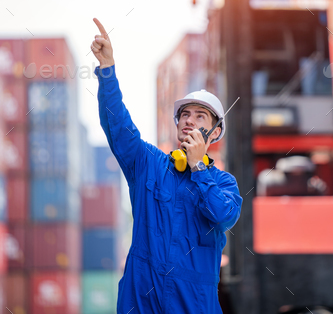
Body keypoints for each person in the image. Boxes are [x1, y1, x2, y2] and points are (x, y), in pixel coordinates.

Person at [90, 18, 243, 314]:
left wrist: (198, 168)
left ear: (215, 133)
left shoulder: (224, 184)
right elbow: (118, 126)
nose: (189, 120)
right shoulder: (149, 164)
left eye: (201, 116)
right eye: (185, 114)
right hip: (141, 304)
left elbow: (224, 216)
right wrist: (107, 71)